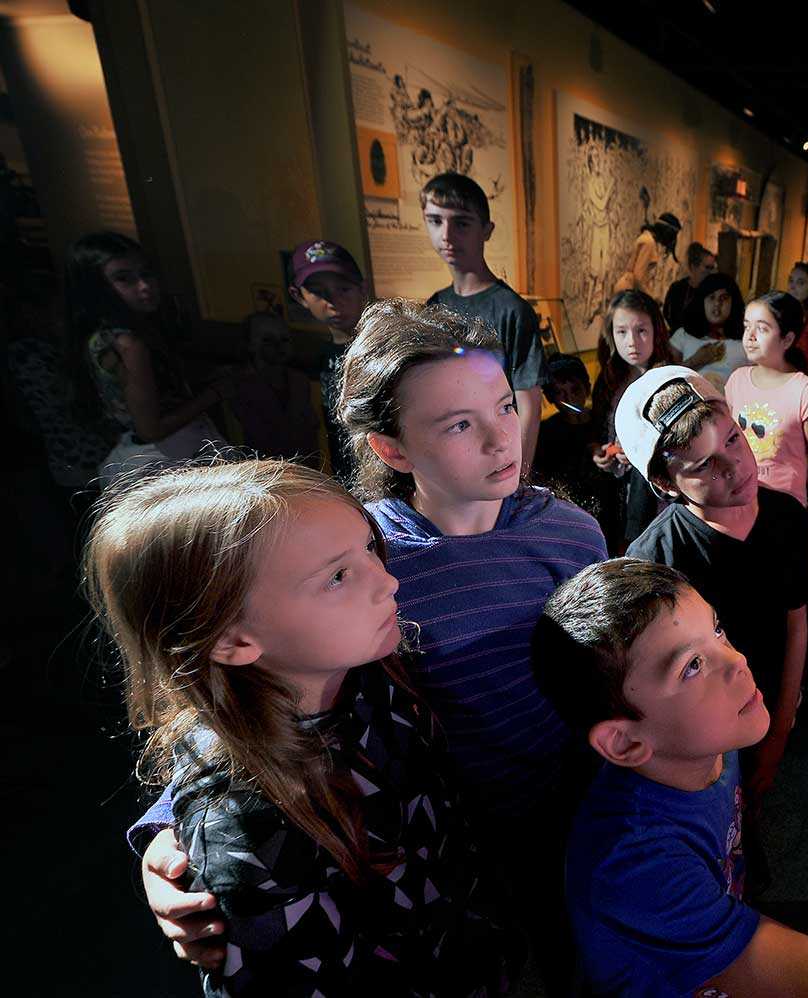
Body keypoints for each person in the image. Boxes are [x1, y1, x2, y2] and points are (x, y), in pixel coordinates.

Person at [135, 301, 607, 996]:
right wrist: (165, 833)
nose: (501, 439)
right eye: (458, 425)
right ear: (391, 448)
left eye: (506, 407)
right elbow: (252, 687)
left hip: (570, 801)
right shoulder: (360, 553)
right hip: (444, 832)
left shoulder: (569, 532)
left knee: (574, 947)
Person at [90, 459, 517, 995]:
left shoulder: (370, 665)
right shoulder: (249, 831)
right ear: (233, 640)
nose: (387, 579)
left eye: (370, 547)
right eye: (338, 576)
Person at [531, 557, 808, 996]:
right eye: (692, 666)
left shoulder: (707, 741)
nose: (737, 660)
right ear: (625, 744)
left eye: (717, 629)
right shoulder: (637, 869)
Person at [619, 367, 808, 801]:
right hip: (709, 733)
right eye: (705, 465)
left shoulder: (786, 515)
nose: (735, 466)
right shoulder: (654, 561)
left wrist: (779, 729)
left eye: (732, 439)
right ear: (666, 484)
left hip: (775, 699)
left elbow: (796, 620)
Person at [64, 231, 231, 483]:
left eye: (146, 273)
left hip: (137, 458)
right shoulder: (128, 344)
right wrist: (214, 393)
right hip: (162, 462)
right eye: (124, 278)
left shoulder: (98, 334)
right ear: (95, 286)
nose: (144, 286)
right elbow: (149, 429)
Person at [421, 172, 548, 472]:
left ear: (486, 230)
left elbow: (528, 403)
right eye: (436, 221)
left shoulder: (511, 310)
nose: (447, 236)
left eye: (461, 223)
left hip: (496, 453)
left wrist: (519, 475)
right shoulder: (435, 306)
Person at [726, 291, 808, 544]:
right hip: (739, 500)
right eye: (746, 326)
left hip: (785, 506)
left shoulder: (805, 390)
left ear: (787, 339)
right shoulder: (737, 380)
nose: (750, 336)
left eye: (761, 328)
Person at [589, 289, 676, 552]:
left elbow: (683, 440)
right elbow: (596, 432)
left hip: (655, 495)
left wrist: (642, 451)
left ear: (656, 331)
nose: (632, 342)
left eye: (641, 331)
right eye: (622, 331)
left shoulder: (668, 379)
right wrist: (599, 453)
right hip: (615, 494)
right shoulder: (608, 381)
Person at [285, 238, 369, 480]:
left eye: (343, 289)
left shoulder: (382, 347)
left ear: (362, 289)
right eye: (318, 292)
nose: (333, 302)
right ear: (299, 296)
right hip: (345, 475)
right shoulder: (323, 354)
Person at [222, 312, 322, 464]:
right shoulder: (238, 384)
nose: (278, 345)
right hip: (260, 470)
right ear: (250, 345)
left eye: (284, 339)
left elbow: (311, 428)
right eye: (267, 340)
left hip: (302, 469)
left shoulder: (299, 381)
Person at [533, 352, 606, 518]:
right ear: (550, 397)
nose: (570, 398)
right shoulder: (545, 434)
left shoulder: (603, 421)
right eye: (560, 393)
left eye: (575, 389)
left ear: (587, 388)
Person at [668, 270, 749, 390]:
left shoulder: (746, 340)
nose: (717, 303)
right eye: (711, 297)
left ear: (733, 303)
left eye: (724, 298)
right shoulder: (683, 335)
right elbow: (664, 375)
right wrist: (695, 361)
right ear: (702, 301)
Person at [662, 240, 716, 330]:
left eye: (712, 268)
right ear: (694, 266)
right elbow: (667, 313)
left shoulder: (714, 293)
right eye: (707, 267)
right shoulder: (677, 288)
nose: (711, 272)